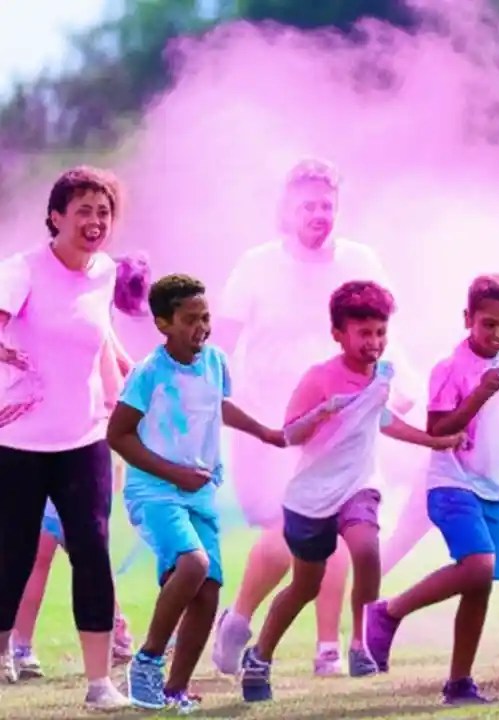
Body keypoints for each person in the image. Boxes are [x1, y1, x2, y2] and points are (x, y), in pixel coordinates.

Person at [213, 159, 417, 678]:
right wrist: (208, 403)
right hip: (272, 425)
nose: (319, 215)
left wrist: (404, 387)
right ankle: (237, 620)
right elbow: (223, 345)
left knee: (347, 527)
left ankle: (330, 645)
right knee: (285, 534)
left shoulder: (360, 258)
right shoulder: (256, 265)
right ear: (286, 210)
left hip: (344, 428)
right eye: (308, 205)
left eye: (327, 205)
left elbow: (384, 327)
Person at [240, 281, 464, 702]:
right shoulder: (320, 377)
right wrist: (323, 411)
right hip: (310, 497)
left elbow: (382, 421)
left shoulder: (383, 377)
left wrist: (434, 441)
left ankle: (360, 642)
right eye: (364, 333)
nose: (374, 342)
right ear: (339, 334)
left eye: (380, 333)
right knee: (304, 586)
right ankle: (260, 655)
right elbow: (290, 434)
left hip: (359, 487)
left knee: (366, 549)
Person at [108, 274, 286, 711]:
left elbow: (217, 405)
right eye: (189, 320)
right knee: (193, 564)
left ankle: (175, 689)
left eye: (205, 318)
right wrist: (174, 472)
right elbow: (119, 435)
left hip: (200, 492)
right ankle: (147, 661)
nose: (201, 328)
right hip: (155, 492)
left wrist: (263, 431)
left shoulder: (215, 362)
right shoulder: (149, 374)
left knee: (208, 593)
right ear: (163, 324)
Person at [0, 167, 135, 709]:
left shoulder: (103, 272)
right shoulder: (22, 269)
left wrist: (122, 393)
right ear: (55, 217)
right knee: (10, 555)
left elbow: (99, 334)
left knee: (92, 552)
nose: (94, 222)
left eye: (103, 212)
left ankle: (100, 684)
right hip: (19, 441)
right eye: (82, 210)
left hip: (84, 439)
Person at [363, 275, 499, 706]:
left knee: (481, 584)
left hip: (492, 487)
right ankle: (387, 611)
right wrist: (477, 395)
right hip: (451, 482)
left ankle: (459, 682)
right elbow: (437, 428)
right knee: (477, 566)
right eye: (489, 323)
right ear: (467, 318)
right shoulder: (449, 367)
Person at [11, 255, 152, 679]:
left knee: (77, 546)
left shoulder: (97, 313)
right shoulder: (51, 299)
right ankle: (22, 645)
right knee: (47, 549)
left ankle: (30, 645)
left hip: (88, 441)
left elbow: (121, 369)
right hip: (46, 439)